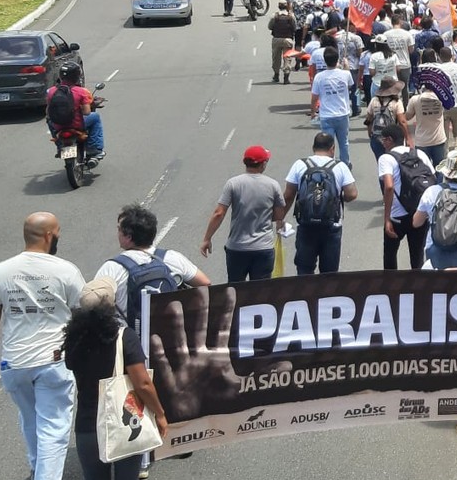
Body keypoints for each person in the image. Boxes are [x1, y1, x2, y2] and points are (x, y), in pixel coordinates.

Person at [0, 212, 85, 480]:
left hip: (14, 364)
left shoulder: (0, 272)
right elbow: (84, 313)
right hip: (54, 362)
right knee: (54, 428)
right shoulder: (65, 270)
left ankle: (39, 467)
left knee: (30, 418)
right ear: (51, 236)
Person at [64, 277, 168, 480]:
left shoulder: (74, 341)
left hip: (88, 425)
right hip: (125, 424)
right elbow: (143, 383)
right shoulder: (124, 339)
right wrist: (160, 413)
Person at [94, 204, 210, 336]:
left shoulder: (111, 269)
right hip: (170, 338)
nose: (117, 233)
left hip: (133, 344)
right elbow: (205, 283)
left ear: (128, 237)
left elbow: (93, 306)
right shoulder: (172, 258)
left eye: (119, 229)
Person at [200, 145, 286, 282]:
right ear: (263, 164)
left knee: (235, 290)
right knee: (260, 293)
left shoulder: (233, 184)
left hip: (237, 248)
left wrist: (207, 239)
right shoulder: (273, 185)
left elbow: (219, 213)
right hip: (263, 248)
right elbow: (279, 216)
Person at [281, 132, 358, 275]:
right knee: (329, 274)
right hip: (332, 226)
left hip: (306, 225)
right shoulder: (340, 166)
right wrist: (337, 197)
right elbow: (352, 194)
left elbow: (289, 194)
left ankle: (304, 296)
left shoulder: (300, 164)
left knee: (304, 269)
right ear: (332, 148)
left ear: (313, 147)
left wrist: (280, 218)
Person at [377, 124, 434, 270]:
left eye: (383, 140)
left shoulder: (386, 158)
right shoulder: (419, 154)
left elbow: (389, 186)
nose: (382, 143)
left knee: (390, 254)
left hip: (397, 215)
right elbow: (433, 179)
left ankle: (391, 288)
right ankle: (417, 288)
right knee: (417, 255)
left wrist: (387, 218)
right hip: (419, 214)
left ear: (390, 140)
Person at [46, 61, 106, 159]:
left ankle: (60, 146)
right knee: (95, 117)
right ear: (77, 76)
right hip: (76, 125)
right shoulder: (81, 91)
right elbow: (86, 112)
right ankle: (94, 149)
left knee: (49, 120)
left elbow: (48, 112)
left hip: (58, 126)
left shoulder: (51, 91)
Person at [310, 47, 355, 168]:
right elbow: (350, 86)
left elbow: (314, 97)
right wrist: (346, 67)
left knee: (327, 143)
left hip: (326, 115)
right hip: (342, 114)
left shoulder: (319, 77)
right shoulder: (345, 74)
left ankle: (329, 165)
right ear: (337, 60)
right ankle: (345, 164)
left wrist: (313, 112)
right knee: (343, 142)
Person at [365, 76, 411, 165]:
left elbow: (368, 119)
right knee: (395, 163)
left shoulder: (374, 100)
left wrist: (370, 132)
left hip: (377, 138)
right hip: (392, 138)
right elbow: (402, 122)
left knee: (382, 164)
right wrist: (407, 138)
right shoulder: (397, 102)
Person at [406, 85, 448, 173]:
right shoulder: (442, 99)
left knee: (422, 170)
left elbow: (408, 117)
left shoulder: (415, 99)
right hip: (438, 139)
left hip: (422, 141)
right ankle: (438, 186)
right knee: (439, 169)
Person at [267, 1, 297, 84]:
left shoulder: (275, 16)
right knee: (287, 58)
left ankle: (276, 75)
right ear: (286, 6)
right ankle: (286, 77)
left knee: (276, 58)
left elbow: (269, 27)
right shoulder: (291, 16)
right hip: (288, 39)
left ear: (278, 6)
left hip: (276, 39)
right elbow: (294, 27)